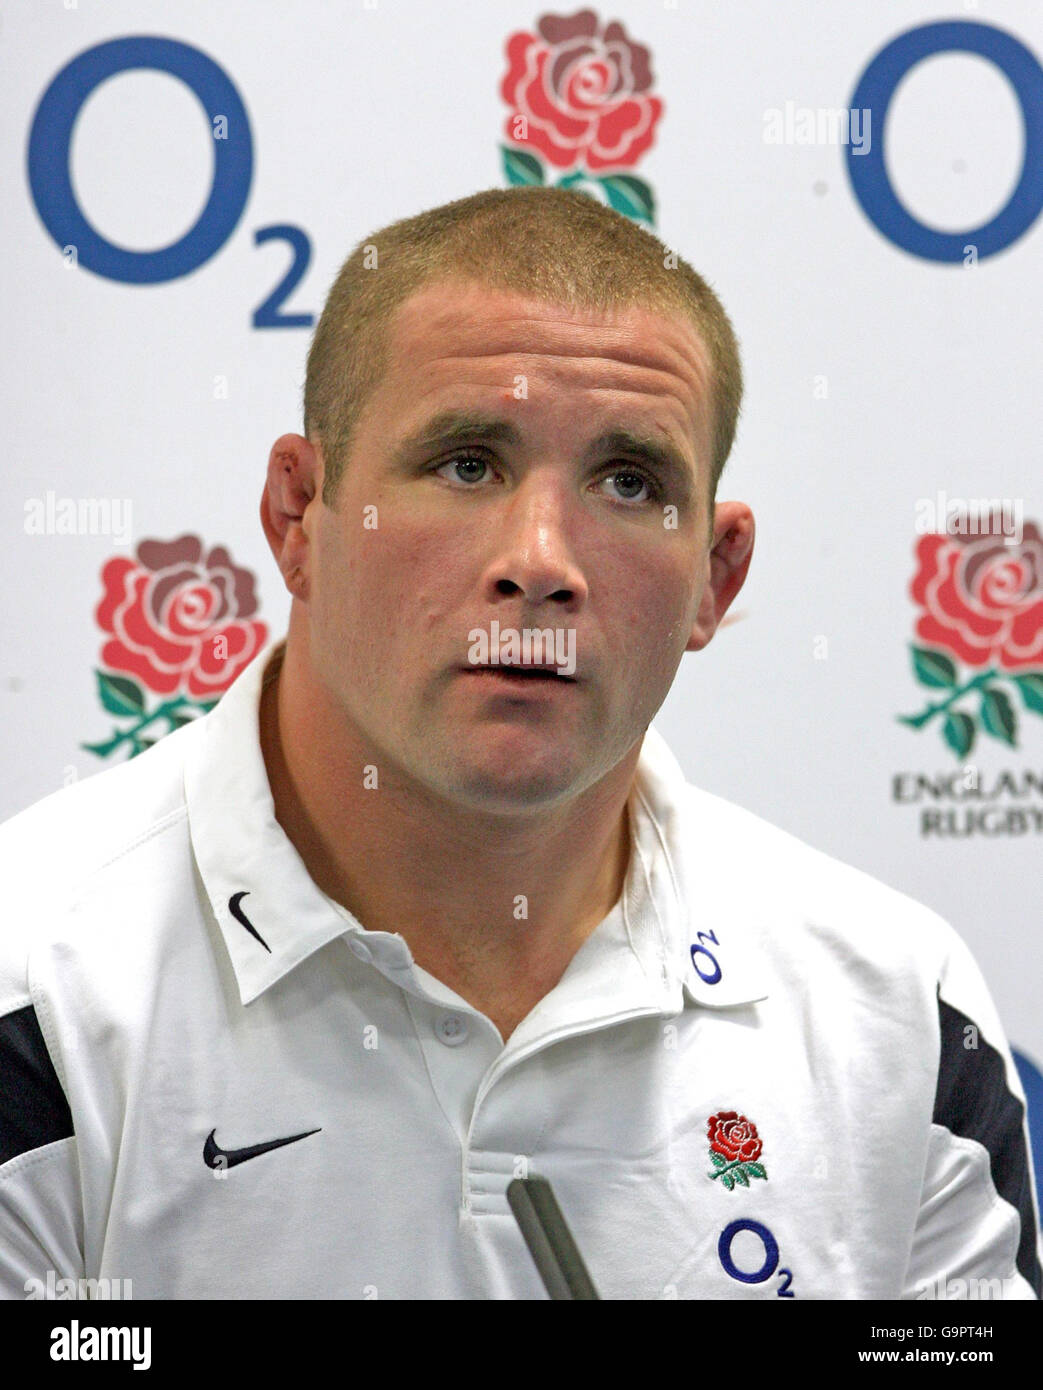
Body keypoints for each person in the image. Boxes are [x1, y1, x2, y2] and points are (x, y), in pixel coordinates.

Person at [1, 187, 1038, 1301]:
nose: (539, 559)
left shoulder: (894, 1013)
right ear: (298, 515)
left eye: (627, 481)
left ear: (714, 579)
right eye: (465, 463)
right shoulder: (35, 983)